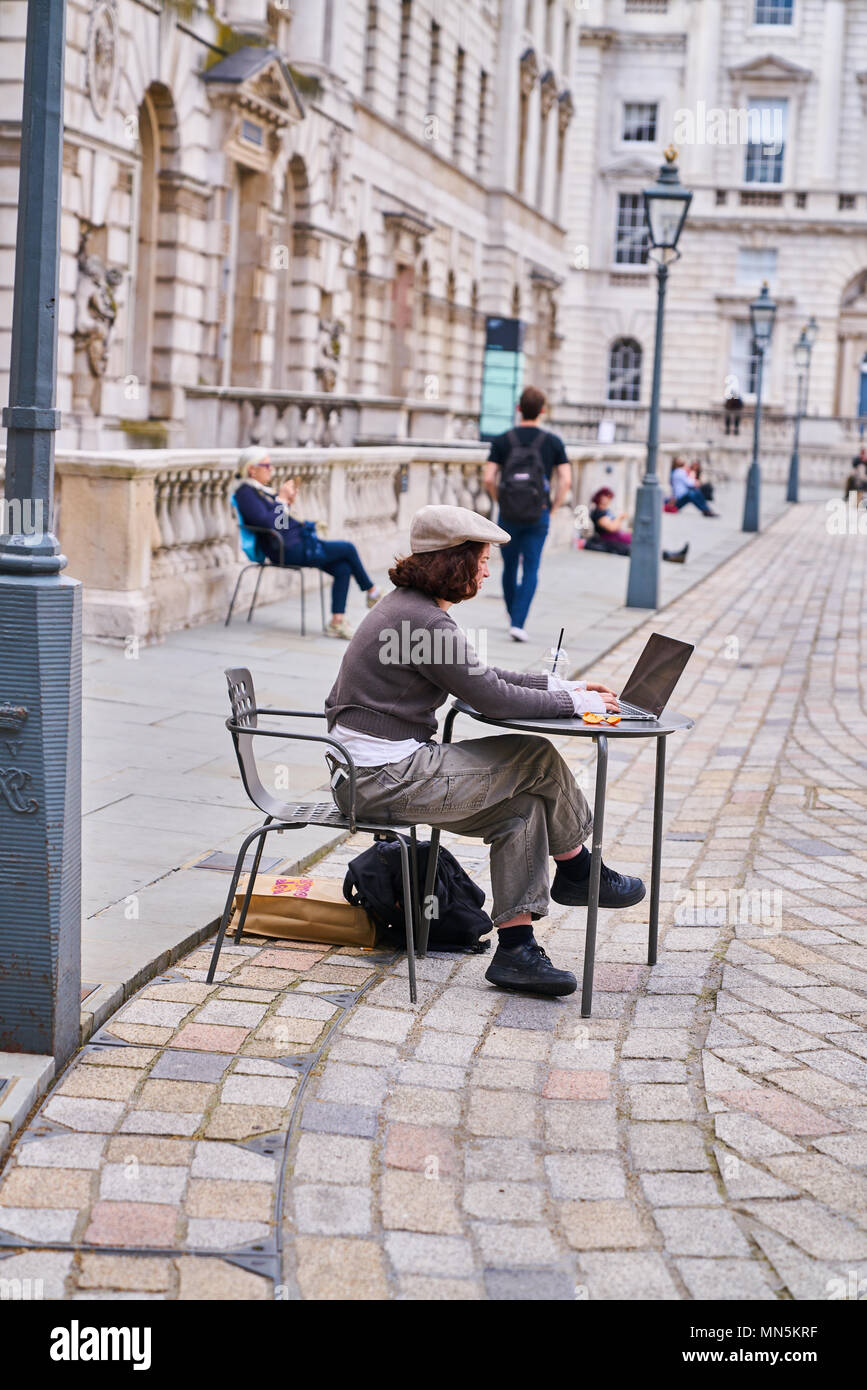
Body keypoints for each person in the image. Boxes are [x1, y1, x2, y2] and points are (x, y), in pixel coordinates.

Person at [325, 504, 647, 998]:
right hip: (379, 777)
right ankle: (580, 869)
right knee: (535, 758)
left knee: (521, 811)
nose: (487, 568)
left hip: (375, 772)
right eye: (481, 557)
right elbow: (490, 696)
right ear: (454, 560)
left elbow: (482, 677)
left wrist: (562, 686)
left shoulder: (411, 609)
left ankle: (516, 951)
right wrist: (570, 702)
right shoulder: (422, 621)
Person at [233, 446, 380, 638]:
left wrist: (287, 503)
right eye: (266, 465)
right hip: (286, 550)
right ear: (252, 469)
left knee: (343, 568)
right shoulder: (246, 494)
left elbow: (281, 524)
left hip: (295, 544)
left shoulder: (262, 492)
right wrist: (282, 501)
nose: (271, 469)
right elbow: (270, 526)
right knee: (347, 548)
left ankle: (337, 622)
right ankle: (373, 592)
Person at [483, 385, 571, 642]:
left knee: (509, 566)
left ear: (519, 408)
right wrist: (552, 507)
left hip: (508, 513)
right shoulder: (553, 442)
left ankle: (513, 616)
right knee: (531, 567)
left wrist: (500, 500)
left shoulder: (502, 440)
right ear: (542, 411)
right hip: (538, 513)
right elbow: (565, 480)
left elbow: (489, 477)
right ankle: (519, 621)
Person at [581, 487, 688, 564]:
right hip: (612, 541)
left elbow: (615, 527)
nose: (608, 500)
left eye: (609, 497)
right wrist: (620, 518)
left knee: (647, 543)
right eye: (606, 497)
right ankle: (669, 556)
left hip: (618, 537)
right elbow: (611, 527)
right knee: (642, 548)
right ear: (600, 497)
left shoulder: (605, 511)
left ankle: (671, 554)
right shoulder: (598, 513)